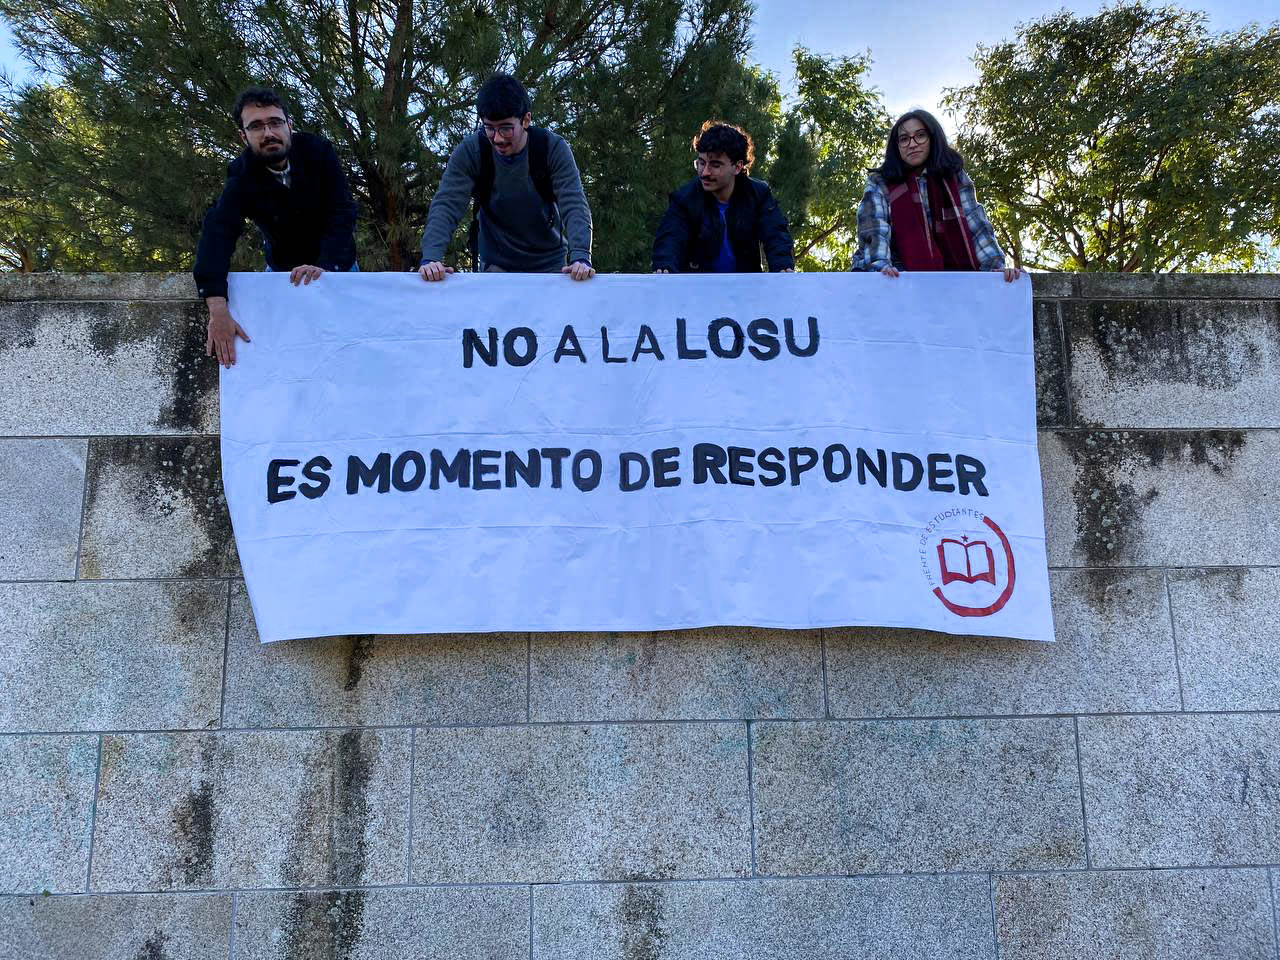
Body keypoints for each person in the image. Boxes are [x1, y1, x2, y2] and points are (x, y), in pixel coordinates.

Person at [195, 86, 359, 367]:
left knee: (350, 352)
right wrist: (217, 308)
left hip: (339, 267)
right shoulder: (241, 175)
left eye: (275, 122)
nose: (268, 133)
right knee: (289, 358)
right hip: (281, 273)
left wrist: (324, 265)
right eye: (256, 126)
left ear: (289, 125)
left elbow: (342, 212)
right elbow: (218, 233)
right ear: (243, 135)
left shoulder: (319, 151)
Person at [418, 74, 594, 281]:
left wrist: (581, 257)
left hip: (550, 266)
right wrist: (430, 258)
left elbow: (574, 204)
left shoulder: (552, 148)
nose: (498, 138)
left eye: (506, 128)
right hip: (496, 268)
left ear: (526, 119)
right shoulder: (471, 151)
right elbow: (447, 205)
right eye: (489, 128)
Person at [852, 109, 1020, 282]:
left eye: (920, 135)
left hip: (949, 277)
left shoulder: (955, 177)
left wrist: (995, 267)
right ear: (896, 147)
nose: (912, 143)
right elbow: (874, 228)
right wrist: (880, 267)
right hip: (898, 274)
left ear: (933, 138)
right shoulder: (880, 181)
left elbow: (975, 223)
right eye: (904, 139)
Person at [652, 121, 795, 274]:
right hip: (697, 291)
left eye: (715, 165)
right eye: (701, 163)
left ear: (738, 167)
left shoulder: (759, 194)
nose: (704, 172)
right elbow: (671, 238)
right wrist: (664, 267)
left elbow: (776, 234)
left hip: (746, 291)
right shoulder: (684, 199)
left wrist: (782, 267)